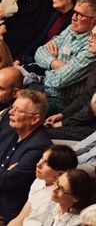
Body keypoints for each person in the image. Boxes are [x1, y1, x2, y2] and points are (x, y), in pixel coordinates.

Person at [45, 18, 96, 142]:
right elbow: (85, 96)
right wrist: (62, 115)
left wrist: (64, 123)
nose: (90, 39)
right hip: (82, 117)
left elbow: (94, 109)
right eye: (90, 35)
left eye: (95, 37)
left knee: (44, 133)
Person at [32, 0, 96, 115]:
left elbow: (59, 81)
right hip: (43, 87)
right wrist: (55, 63)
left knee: (23, 108)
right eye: (74, 12)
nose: (73, 18)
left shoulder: (92, 48)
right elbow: (39, 52)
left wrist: (48, 65)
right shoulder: (71, 28)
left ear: (94, 21)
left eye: (80, 15)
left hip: (61, 101)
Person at [0, 90, 52, 223]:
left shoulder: (40, 146)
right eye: (13, 107)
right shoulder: (9, 131)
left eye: (18, 110)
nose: (11, 112)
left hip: (6, 211)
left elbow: (7, 181)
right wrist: (4, 172)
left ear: (34, 119)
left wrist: (6, 174)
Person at [22, 0, 86, 59]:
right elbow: (41, 38)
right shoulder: (56, 13)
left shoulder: (74, 21)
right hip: (34, 57)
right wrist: (20, 58)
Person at [7, 145, 78, 226]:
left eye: (47, 163)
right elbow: (21, 217)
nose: (38, 164)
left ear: (60, 173)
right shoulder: (39, 181)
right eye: (42, 158)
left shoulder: (60, 196)